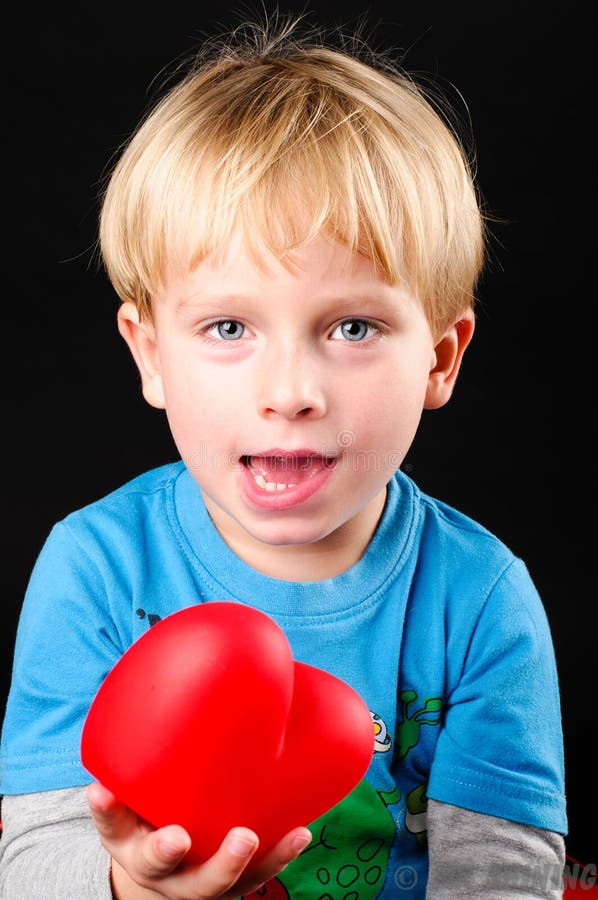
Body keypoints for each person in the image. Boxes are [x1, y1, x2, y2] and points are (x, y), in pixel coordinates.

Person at [0, 13, 567, 900]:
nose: (291, 389)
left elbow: (502, 880)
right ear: (151, 354)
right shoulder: (96, 569)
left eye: (352, 327)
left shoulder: (480, 598)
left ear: (441, 358)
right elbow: (32, 857)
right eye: (229, 327)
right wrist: (127, 888)